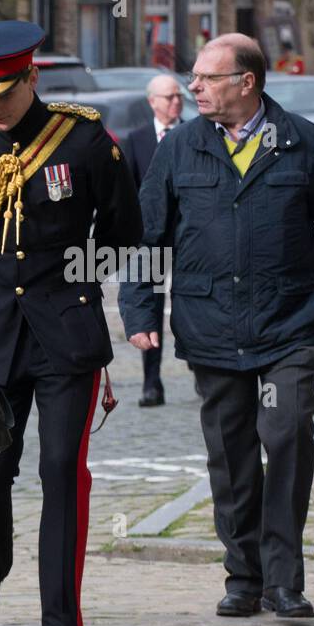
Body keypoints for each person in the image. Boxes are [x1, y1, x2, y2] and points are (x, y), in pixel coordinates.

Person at [0, 21, 143, 626]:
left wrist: (67, 282)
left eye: (0, 93)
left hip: (65, 335)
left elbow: (122, 233)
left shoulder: (82, 140)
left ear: (31, 78)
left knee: (61, 473)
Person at [120, 33, 314, 621]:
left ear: (247, 82)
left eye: (207, 78)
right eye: (194, 77)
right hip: (210, 327)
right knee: (230, 454)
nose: (194, 87)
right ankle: (244, 576)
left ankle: (284, 581)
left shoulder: (304, 144)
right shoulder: (179, 149)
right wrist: (138, 312)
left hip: (290, 326)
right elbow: (146, 237)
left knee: (286, 438)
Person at [120, 74, 184, 406]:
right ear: (152, 101)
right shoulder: (137, 139)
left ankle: (206, 374)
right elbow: (128, 191)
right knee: (150, 310)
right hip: (151, 242)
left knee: (192, 303)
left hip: (189, 239)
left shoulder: (194, 135)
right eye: (169, 97)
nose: (176, 102)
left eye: (178, 96)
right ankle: (151, 381)